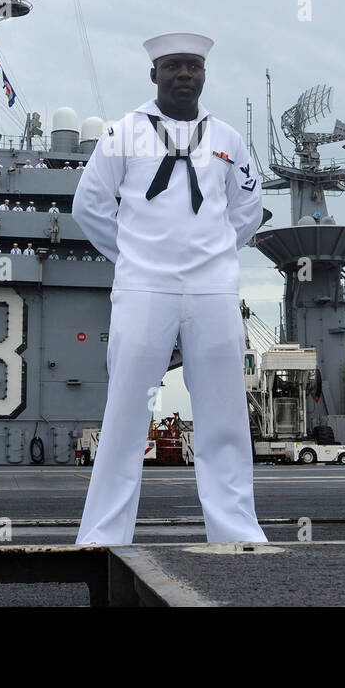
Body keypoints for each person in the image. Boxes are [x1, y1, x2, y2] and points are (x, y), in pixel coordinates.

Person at [71, 32, 266, 546]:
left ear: (205, 74)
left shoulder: (228, 138)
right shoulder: (123, 134)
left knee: (225, 414)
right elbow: (88, 205)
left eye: (194, 67)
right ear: (153, 74)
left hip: (213, 292)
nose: (185, 75)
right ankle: (102, 536)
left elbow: (247, 212)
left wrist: (216, 256)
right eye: (174, 66)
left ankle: (236, 530)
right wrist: (134, 257)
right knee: (126, 412)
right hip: (143, 288)